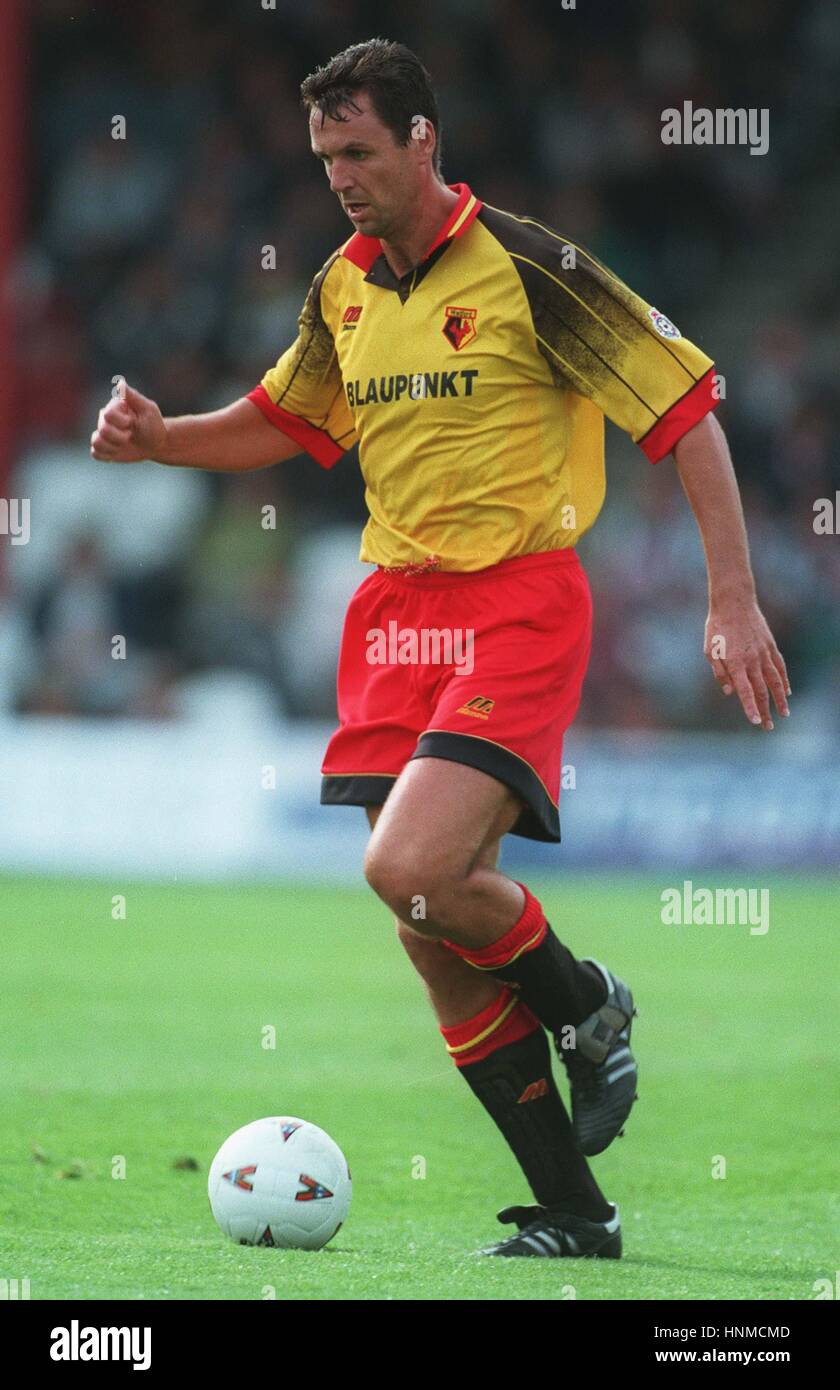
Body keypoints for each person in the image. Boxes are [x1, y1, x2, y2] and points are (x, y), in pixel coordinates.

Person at [91, 38, 790, 1260]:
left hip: (516, 603)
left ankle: (588, 1006)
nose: (341, 178)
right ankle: (577, 1211)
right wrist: (164, 439)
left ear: (424, 140)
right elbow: (285, 418)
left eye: (360, 151)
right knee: (427, 922)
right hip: (389, 619)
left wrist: (730, 600)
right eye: (324, 159)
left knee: (405, 866)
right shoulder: (343, 286)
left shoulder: (534, 266)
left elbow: (688, 410)